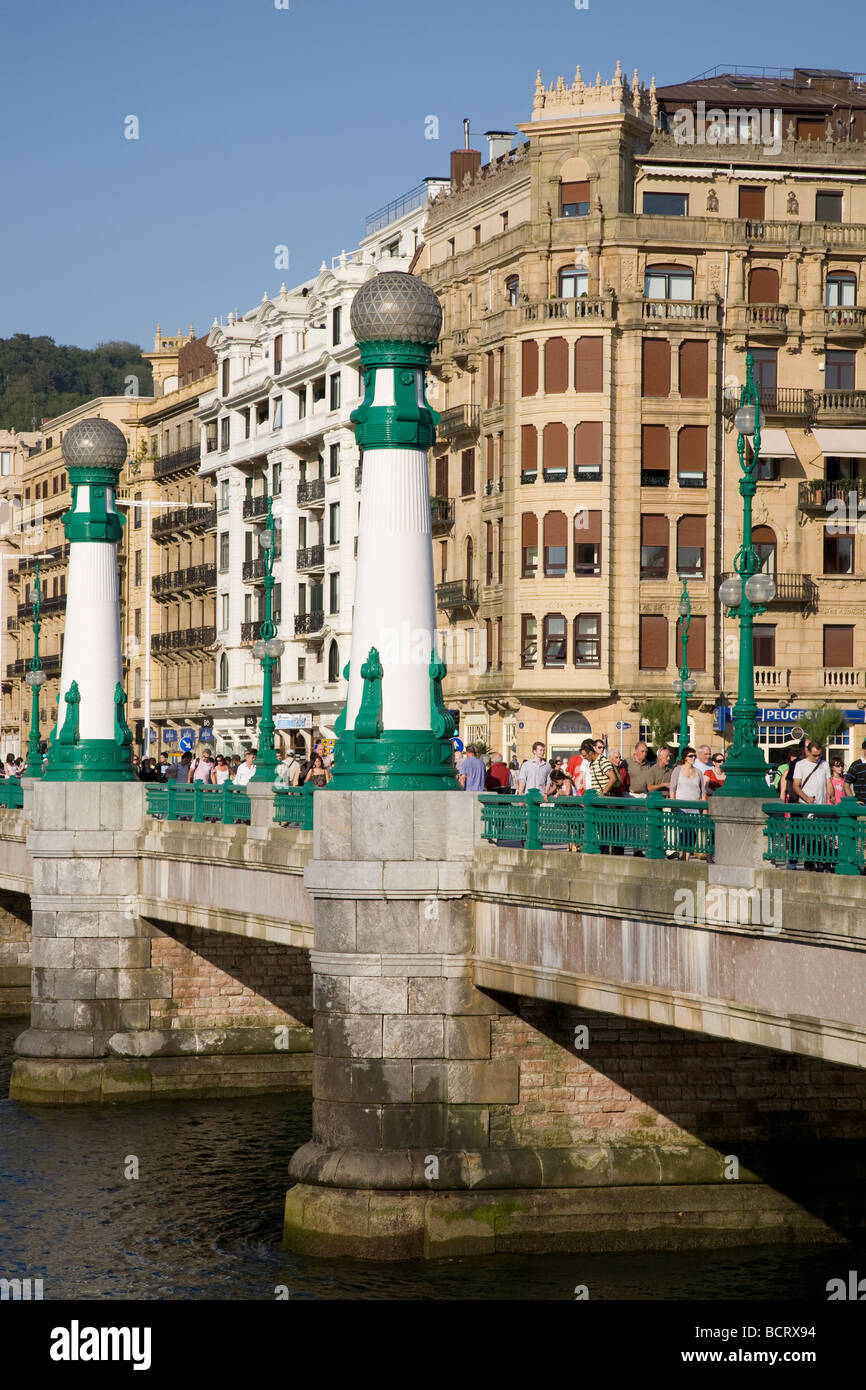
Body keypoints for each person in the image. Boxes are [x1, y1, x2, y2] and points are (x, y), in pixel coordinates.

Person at [669, 747, 706, 860]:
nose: (693, 758)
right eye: (691, 756)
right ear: (685, 757)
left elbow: (702, 792)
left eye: (694, 756)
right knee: (684, 830)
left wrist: (704, 808)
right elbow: (672, 788)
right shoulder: (677, 770)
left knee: (691, 832)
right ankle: (681, 854)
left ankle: (687, 857)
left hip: (695, 807)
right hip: (681, 807)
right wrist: (673, 805)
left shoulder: (698, 772)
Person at [843, 737, 866, 803]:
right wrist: (853, 801)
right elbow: (846, 785)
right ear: (864, 749)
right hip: (861, 806)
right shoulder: (856, 765)